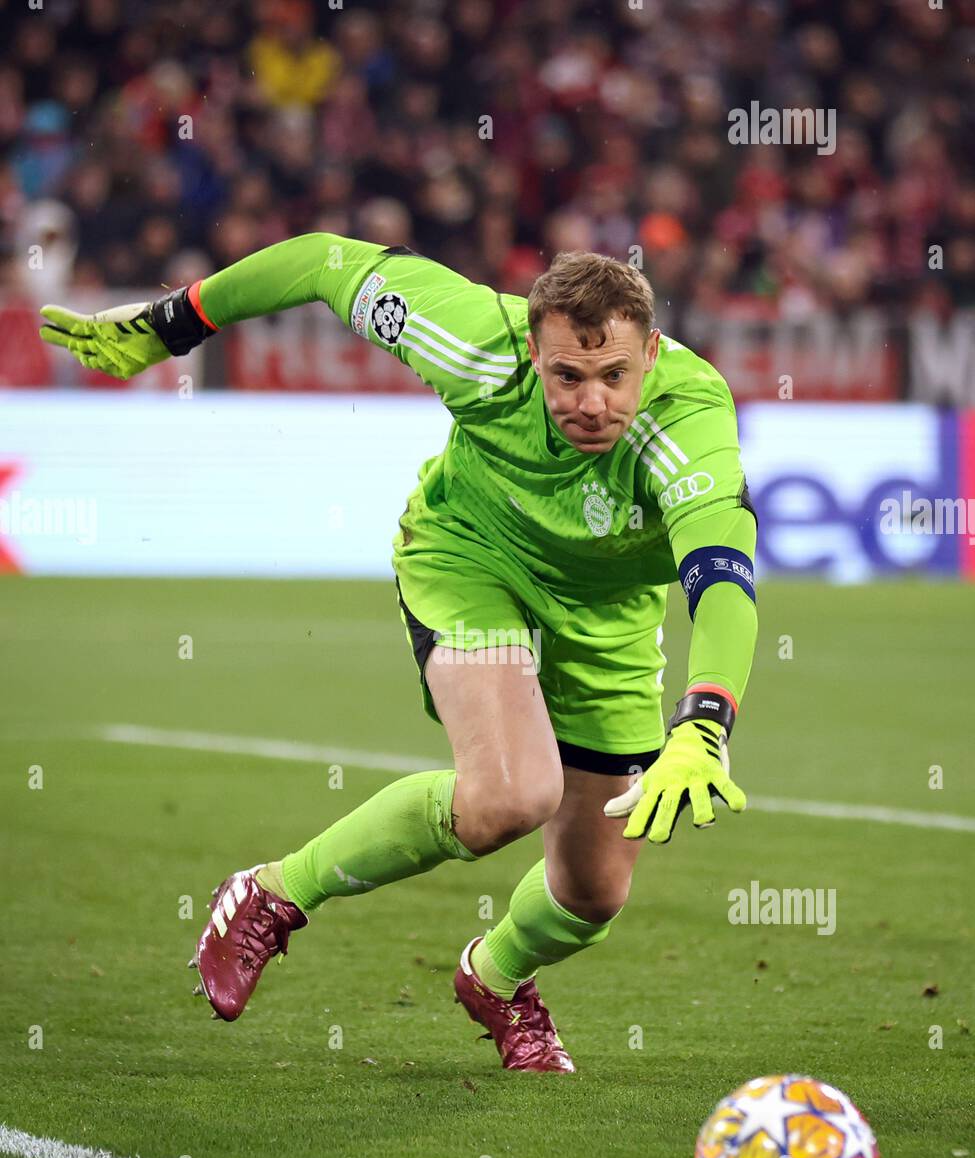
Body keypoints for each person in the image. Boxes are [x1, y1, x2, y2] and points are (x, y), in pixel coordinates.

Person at [39, 233, 757, 1072]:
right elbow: (319, 262)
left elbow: (720, 575)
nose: (591, 402)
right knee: (509, 795)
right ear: (530, 353)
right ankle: (272, 894)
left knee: (594, 891)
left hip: (608, 620)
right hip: (469, 560)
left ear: (652, 354)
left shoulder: (690, 421)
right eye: (566, 375)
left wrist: (703, 723)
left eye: (613, 376)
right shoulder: (469, 339)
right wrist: (175, 322)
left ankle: (496, 979)